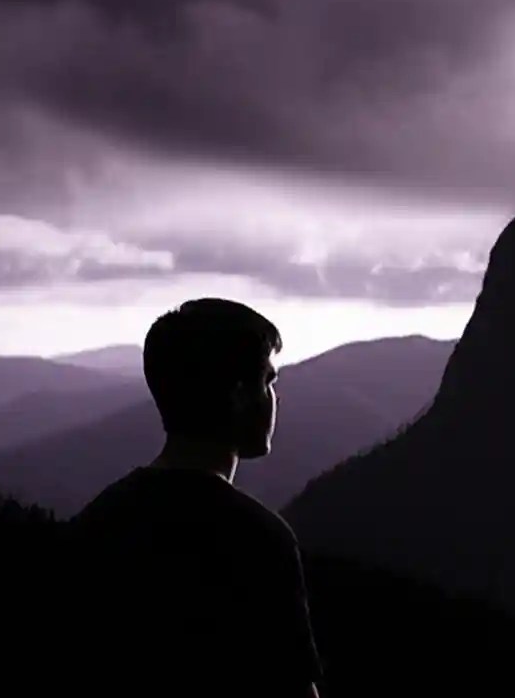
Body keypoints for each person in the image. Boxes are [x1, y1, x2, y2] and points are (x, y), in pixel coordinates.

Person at [66, 298, 323, 697]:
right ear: (239, 394)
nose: (276, 398)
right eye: (269, 380)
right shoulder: (257, 541)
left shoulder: (95, 523)